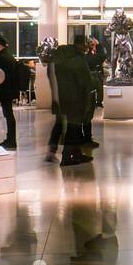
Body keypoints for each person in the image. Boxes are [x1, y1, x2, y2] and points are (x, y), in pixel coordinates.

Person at [50, 35, 95, 166]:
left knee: (73, 126)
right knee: (73, 127)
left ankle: (76, 154)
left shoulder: (61, 58)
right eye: (85, 44)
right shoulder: (77, 59)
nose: (86, 46)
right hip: (77, 97)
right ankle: (66, 157)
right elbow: (86, 81)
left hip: (64, 96)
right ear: (79, 44)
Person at [0, 36, 21, 150]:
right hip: (10, 90)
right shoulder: (8, 55)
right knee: (9, 115)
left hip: (5, 91)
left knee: (8, 115)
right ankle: (10, 139)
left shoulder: (1, 57)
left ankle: (11, 140)